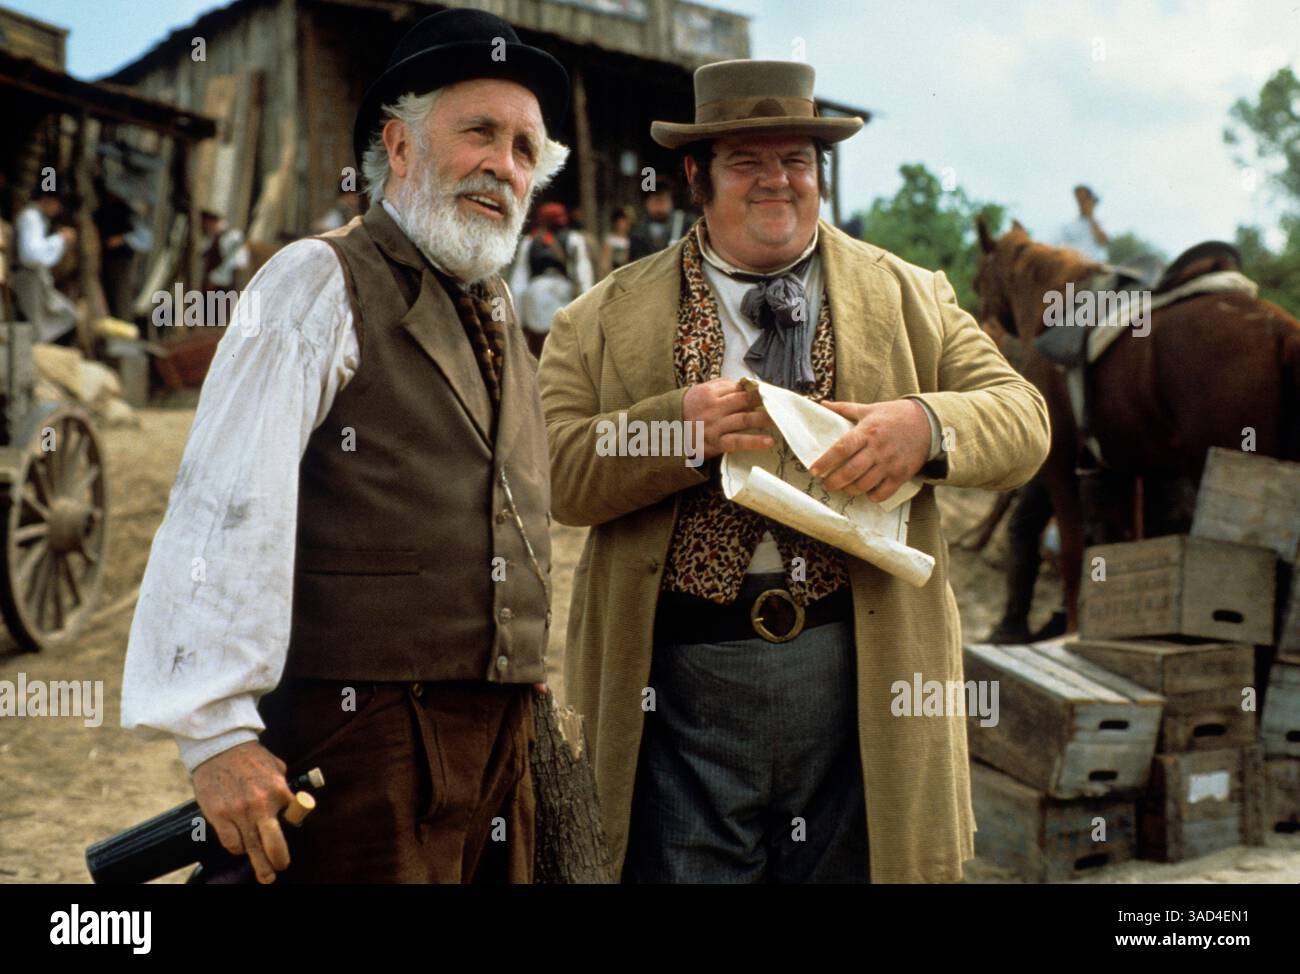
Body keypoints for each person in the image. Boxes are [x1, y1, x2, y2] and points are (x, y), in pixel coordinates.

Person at [538, 58, 1050, 883]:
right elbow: (556, 474)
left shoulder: (911, 295)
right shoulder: (597, 317)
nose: (777, 181)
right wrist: (676, 431)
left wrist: (922, 425)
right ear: (697, 176)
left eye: (797, 161)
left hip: (859, 679)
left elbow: (1024, 418)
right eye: (747, 162)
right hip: (678, 696)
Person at [120, 7, 570, 884]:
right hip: (359, 747)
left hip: (489, 744)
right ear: (397, 148)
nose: (503, 167)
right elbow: (223, 504)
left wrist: (508, 656)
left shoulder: (497, 308)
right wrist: (217, 737)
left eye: (524, 149)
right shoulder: (314, 279)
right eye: (478, 132)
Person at [509, 201, 593, 357]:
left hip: (535, 297)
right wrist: (586, 312)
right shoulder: (574, 240)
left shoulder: (529, 242)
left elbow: (518, 283)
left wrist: (519, 320)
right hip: (564, 295)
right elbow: (583, 275)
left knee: (539, 352)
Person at [11, 189, 78, 343]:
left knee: (66, 316)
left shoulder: (39, 218)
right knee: (41, 325)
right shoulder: (30, 217)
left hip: (35, 279)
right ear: (47, 199)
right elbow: (31, 256)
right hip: (27, 278)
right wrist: (60, 239)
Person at [627, 177, 687, 260]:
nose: (659, 206)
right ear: (646, 203)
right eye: (655, 201)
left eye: (663, 200)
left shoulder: (684, 225)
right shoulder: (638, 232)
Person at [199, 208, 250, 294]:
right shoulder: (214, 238)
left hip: (225, 287)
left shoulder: (233, 236)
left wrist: (213, 279)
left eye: (205, 225)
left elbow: (236, 263)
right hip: (215, 285)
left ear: (211, 222)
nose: (204, 229)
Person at [1058, 184, 1107, 262]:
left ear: (1091, 201)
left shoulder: (1101, 221)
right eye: (1079, 200)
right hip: (1078, 268)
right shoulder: (1068, 226)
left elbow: (1103, 242)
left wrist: (1091, 217)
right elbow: (1063, 249)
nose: (1082, 203)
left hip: (1097, 266)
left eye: (1085, 200)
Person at [600, 205, 632, 278]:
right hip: (615, 273)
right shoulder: (610, 239)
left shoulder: (630, 239)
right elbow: (605, 262)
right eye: (623, 221)